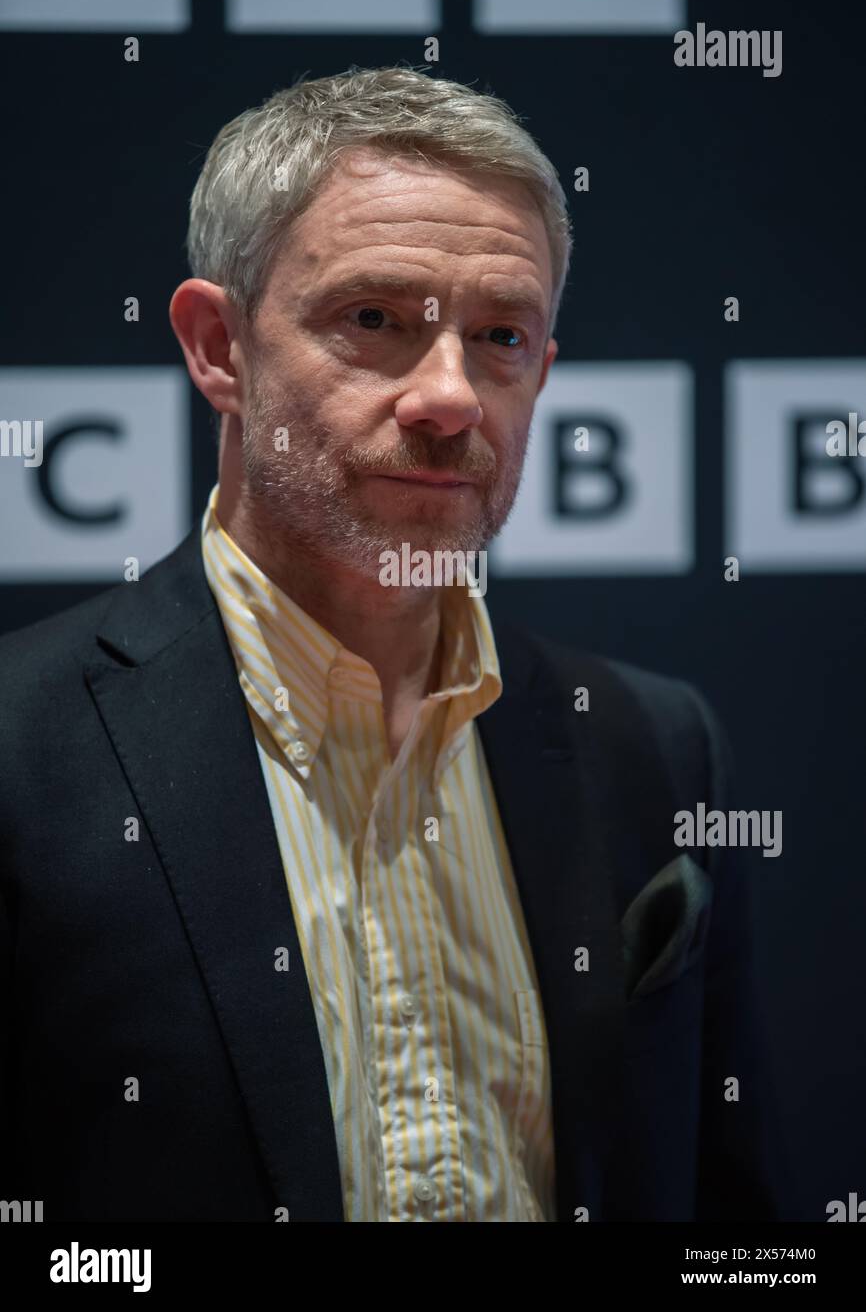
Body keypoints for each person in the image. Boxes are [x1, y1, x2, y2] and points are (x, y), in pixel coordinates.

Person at [0, 66, 791, 1222]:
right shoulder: (23, 751)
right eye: (374, 320)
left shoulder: (653, 745)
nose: (449, 397)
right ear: (219, 347)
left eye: (499, 336)